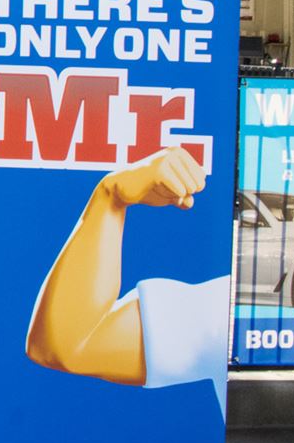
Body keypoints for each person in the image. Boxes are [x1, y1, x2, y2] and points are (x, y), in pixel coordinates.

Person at [26, 146, 229, 417]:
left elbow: (70, 345)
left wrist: (110, 199)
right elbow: (68, 345)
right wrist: (110, 197)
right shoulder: (215, 310)